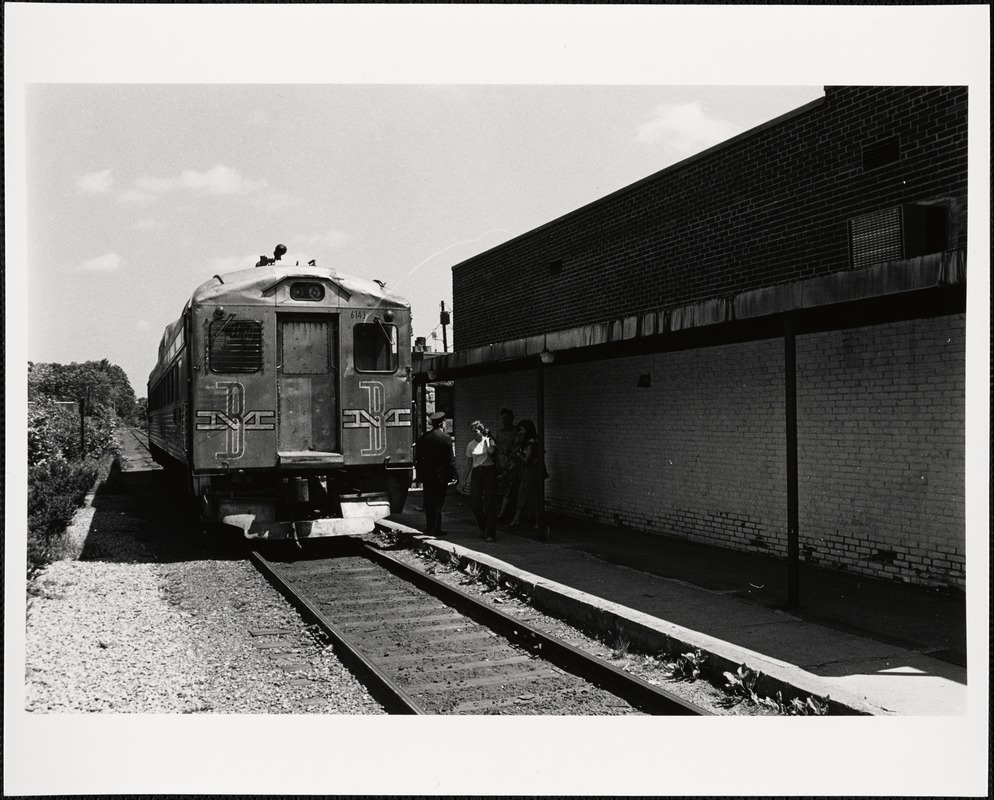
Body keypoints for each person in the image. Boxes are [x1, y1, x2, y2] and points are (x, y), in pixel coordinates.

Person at [415, 411, 456, 537]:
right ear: (442, 422)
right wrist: (453, 474)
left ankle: (429, 526)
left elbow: (418, 457)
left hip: (428, 475)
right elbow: (450, 459)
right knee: (438, 502)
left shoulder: (423, 437)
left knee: (429, 501)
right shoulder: (446, 438)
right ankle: (436, 528)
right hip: (441, 475)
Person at [465, 419, 500, 542]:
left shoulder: (489, 441)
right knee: (475, 502)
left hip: (488, 472)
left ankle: (490, 533)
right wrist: (464, 479)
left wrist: (487, 439)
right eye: (472, 431)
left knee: (490, 503)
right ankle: (482, 524)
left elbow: (491, 451)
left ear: (481, 431)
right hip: (476, 473)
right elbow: (469, 463)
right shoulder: (470, 445)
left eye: (476, 431)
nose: (474, 434)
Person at [510, 418, 542, 530]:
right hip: (529, 471)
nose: (519, 432)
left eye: (521, 430)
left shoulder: (530, 444)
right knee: (532, 495)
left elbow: (526, 460)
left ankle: (517, 519)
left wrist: (519, 455)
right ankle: (535, 520)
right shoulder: (531, 442)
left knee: (525, 494)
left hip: (530, 471)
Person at [495, 408, 521, 521]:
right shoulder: (500, 433)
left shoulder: (516, 432)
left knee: (510, 490)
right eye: (503, 418)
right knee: (502, 490)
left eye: (506, 418)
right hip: (501, 464)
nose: (504, 420)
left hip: (512, 464)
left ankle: (503, 513)